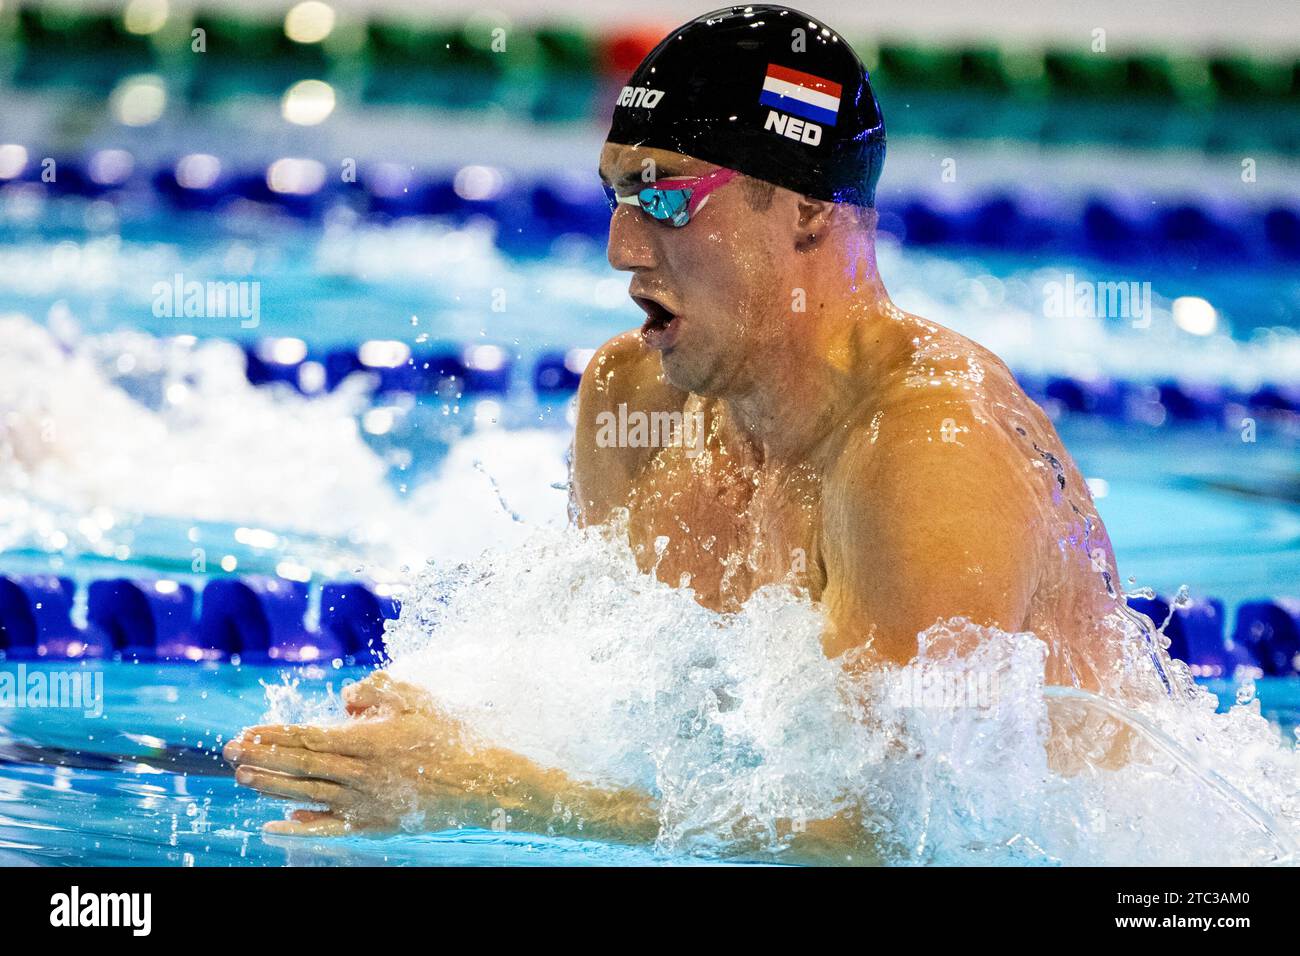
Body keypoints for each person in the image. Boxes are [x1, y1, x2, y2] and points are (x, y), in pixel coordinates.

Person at [224, 5, 1140, 860]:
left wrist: (487, 785)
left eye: (663, 196)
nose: (622, 247)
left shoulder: (927, 451)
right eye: (617, 195)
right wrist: (465, 725)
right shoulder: (637, 398)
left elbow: (899, 838)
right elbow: (634, 702)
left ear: (808, 206)